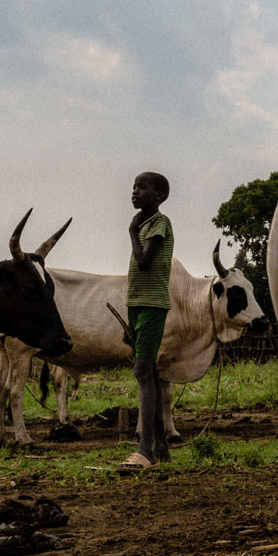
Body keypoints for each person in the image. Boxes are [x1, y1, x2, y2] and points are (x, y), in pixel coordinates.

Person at [121, 171, 174, 471]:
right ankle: (161, 448)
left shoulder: (158, 224)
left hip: (153, 305)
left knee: (142, 370)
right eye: (133, 186)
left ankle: (145, 449)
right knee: (149, 372)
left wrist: (131, 231)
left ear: (159, 197)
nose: (134, 192)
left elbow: (143, 262)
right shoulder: (146, 223)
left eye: (141, 188)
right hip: (137, 304)